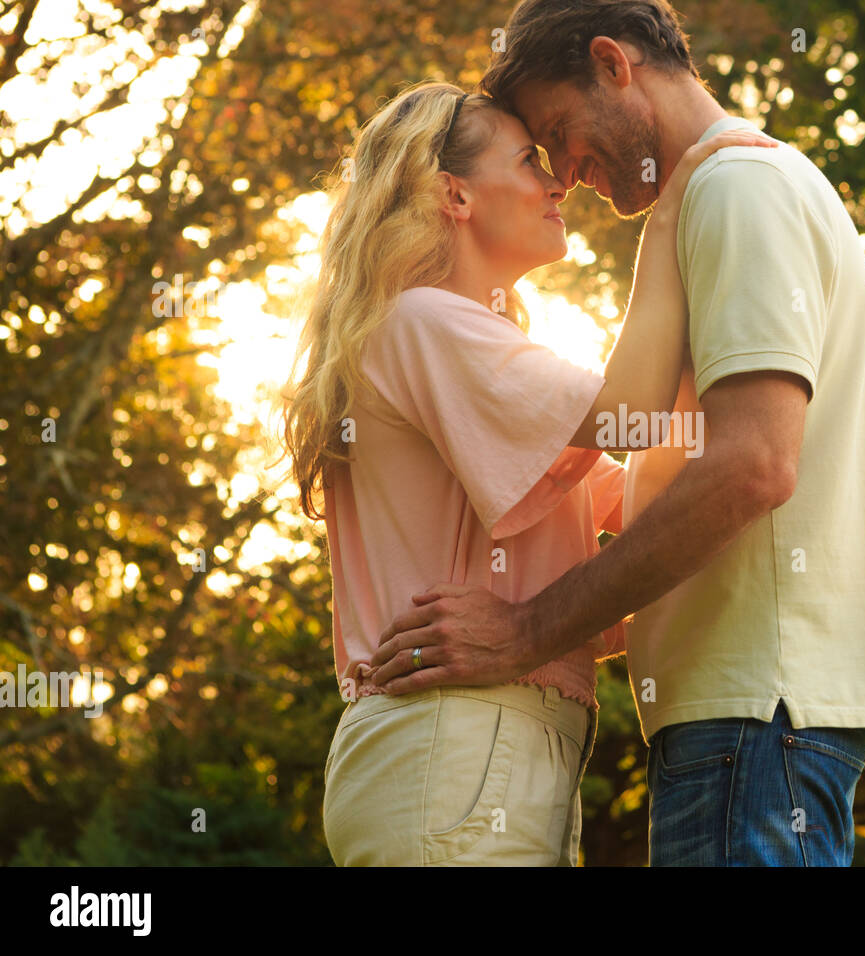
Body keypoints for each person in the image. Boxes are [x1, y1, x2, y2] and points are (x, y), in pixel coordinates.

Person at [368, 0, 865, 867]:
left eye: (556, 132)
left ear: (613, 63)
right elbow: (647, 460)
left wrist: (529, 631)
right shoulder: (728, 192)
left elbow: (752, 466)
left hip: (756, 708)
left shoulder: (735, 187)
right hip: (751, 712)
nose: (565, 173)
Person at [278, 78, 775, 865]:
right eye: (526, 161)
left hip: (481, 750)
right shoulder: (424, 320)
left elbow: (637, 498)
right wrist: (673, 212)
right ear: (454, 195)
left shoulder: (460, 348)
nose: (556, 183)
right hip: (457, 743)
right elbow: (627, 415)